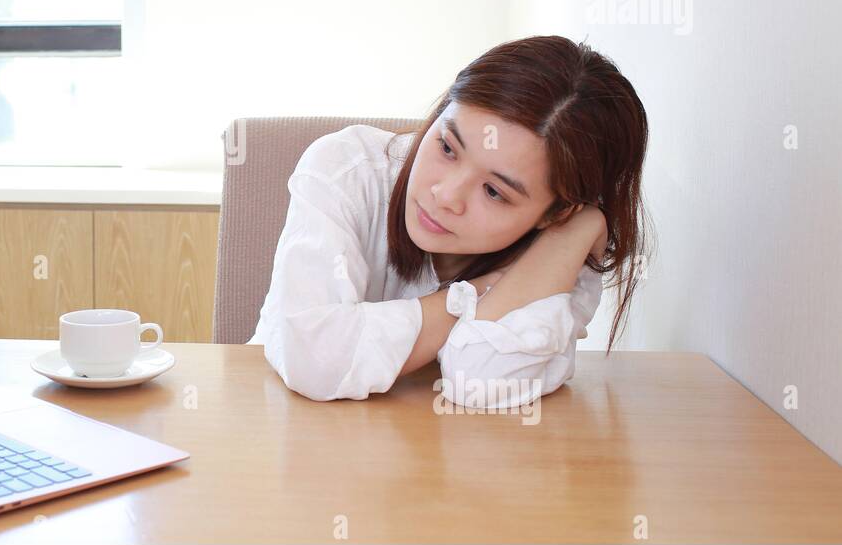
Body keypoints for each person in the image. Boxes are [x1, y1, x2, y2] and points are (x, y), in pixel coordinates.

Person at [246, 35, 652, 409]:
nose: (446, 195)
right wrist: (483, 291)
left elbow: (481, 380)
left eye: (494, 192)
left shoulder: (562, 244)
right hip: (273, 428)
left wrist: (575, 233)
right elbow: (313, 360)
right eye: (447, 147)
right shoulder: (346, 169)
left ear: (557, 213)